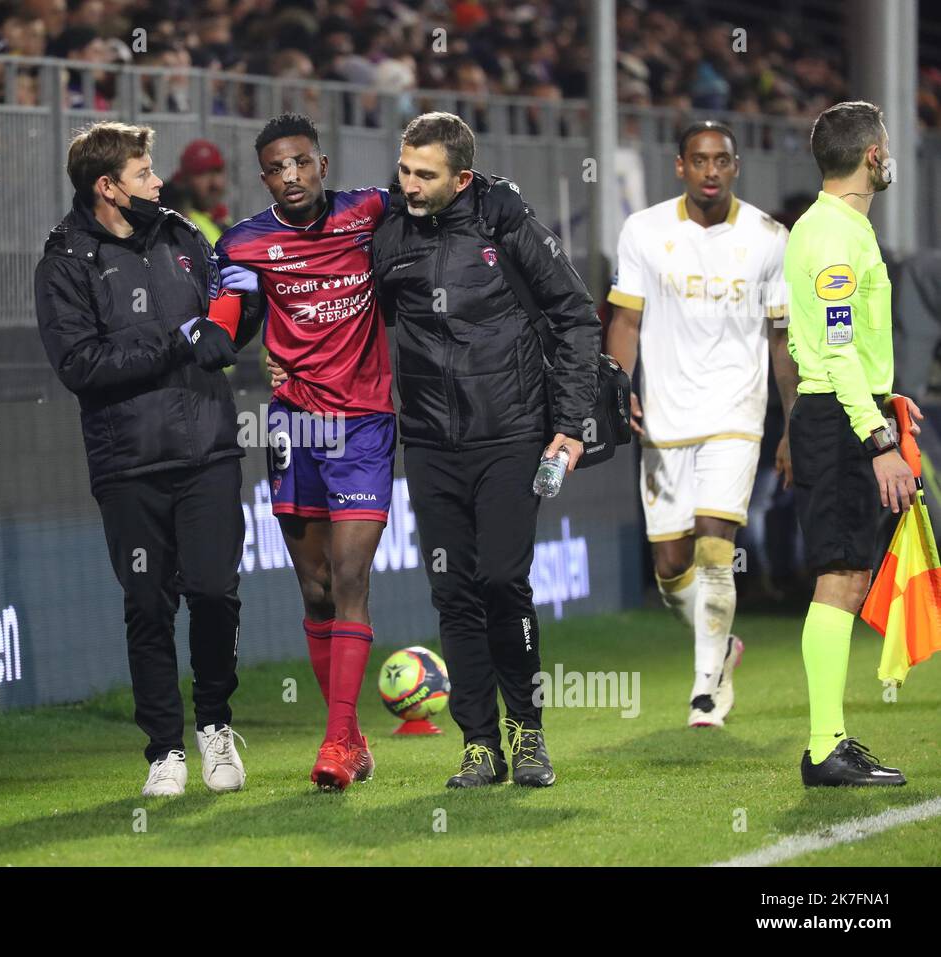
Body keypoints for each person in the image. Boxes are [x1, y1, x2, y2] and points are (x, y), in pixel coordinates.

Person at [369, 112, 600, 788]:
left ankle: (528, 731)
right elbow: (352, 321)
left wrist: (570, 423)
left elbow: (575, 317)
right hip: (432, 442)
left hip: (512, 433)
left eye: (426, 174)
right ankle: (479, 743)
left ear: (462, 177)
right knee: (454, 592)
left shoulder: (504, 220)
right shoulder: (388, 233)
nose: (409, 185)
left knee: (502, 580)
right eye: (405, 169)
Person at [34, 121, 258, 797]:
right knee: (147, 605)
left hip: (209, 447)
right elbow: (80, 364)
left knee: (216, 592)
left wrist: (236, 316)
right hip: (128, 460)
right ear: (107, 187)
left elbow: (226, 308)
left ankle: (215, 723)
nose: (158, 182)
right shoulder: (64, 262)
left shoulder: (185, 236)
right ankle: (164, 748)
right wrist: (178, 341)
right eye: (143, 173)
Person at [216, 113, 394, 790]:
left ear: (322, 164)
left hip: (365, 423)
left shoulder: (369, 212)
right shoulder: (245, 242)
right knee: (316, 589)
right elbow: (229, 312)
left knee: (350, 577)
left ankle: (332, 744)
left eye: (301, 163)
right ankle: (350, 736)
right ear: (263, 177)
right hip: (295, 428)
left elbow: (433, 199)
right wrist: (215, 337)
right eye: (275, 168)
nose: (290, 177)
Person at [606, 120, 797, 728]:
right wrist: (616, 386)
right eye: (699, 160)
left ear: (735, 166)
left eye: (721, 160)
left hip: (736, 416)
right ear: (679, 166)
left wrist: (793, 422)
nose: (711, 170)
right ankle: (721, 646)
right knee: (669, 566)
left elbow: (781, 337)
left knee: (716, 542)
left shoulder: (770, 237)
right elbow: (626, 322)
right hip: (664, 419)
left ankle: (706, 688)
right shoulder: (644, 230)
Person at [783, 100, 920, 787]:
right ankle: (823, 747)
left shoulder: (837, 228)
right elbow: (835, 355)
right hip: (838, 422)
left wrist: (887, 399)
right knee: (839, 578)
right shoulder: (835, 236)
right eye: (887, 146)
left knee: (848, 576)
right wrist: (878, 437)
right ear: (873, 156)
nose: (889, 156)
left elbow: (847, 351)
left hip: (844, 411)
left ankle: (829, 739)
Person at [174, 139, 231, 246]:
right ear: (185, 179)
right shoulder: (180, 225)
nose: (215, 183)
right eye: (203, 174)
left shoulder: (221, 218)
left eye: (218, 171)